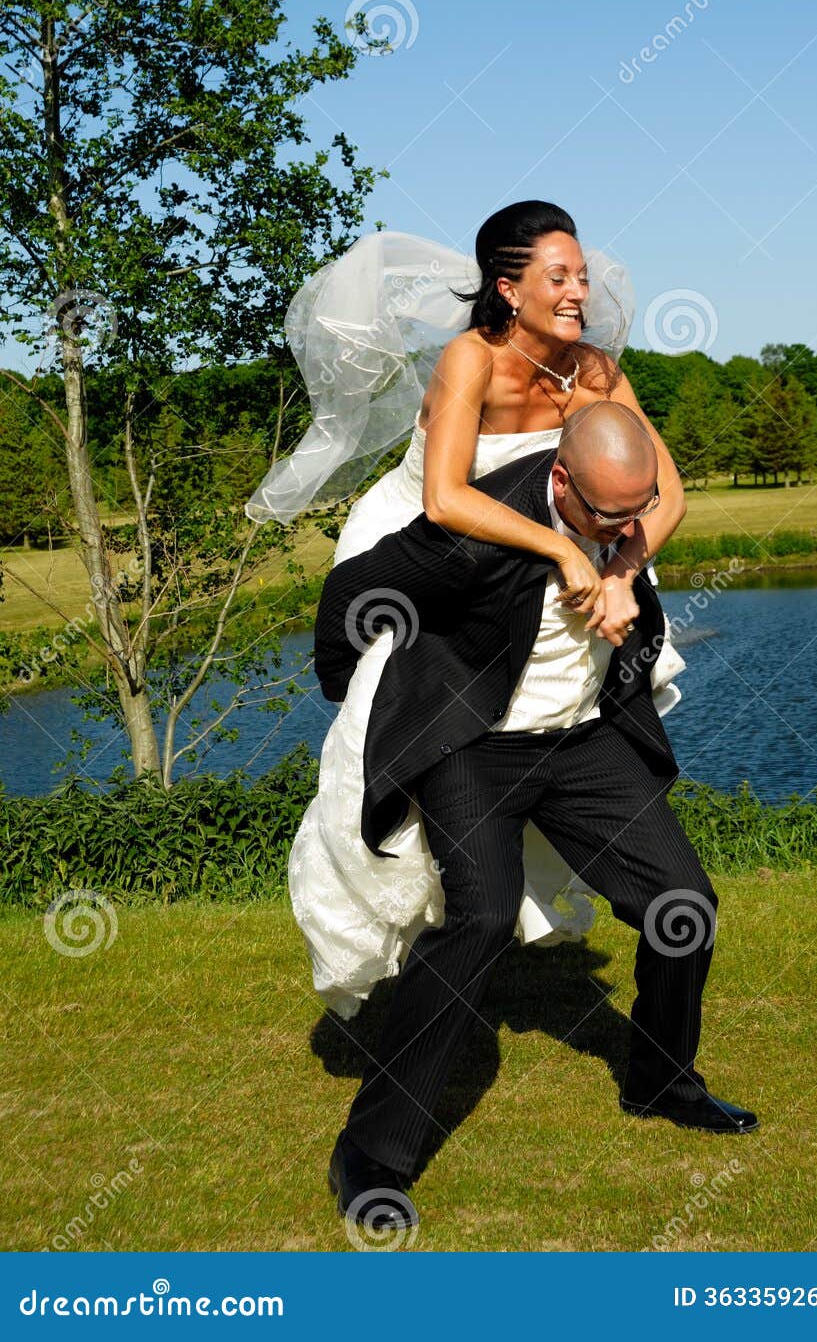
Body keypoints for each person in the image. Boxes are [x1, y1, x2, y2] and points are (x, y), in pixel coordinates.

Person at [314, 402, 758, 1234]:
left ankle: (661, 1081)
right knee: (478, 918)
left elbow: (644, 521)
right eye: (609, 518)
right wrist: (350, 692)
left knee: (682, 908)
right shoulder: (478, 531)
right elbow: (355, 586)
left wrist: (625, 565)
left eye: (641, 511)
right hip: (476, 747)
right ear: (561, 481)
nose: (630, 531)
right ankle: (370, 1153)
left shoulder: (620, 512)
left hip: (581, 742)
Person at [245, 202, 690, 1020]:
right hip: (427, 558)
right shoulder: (469, 361)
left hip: (551, 553)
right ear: (506, 287)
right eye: (558, 277)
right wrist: (563, 553)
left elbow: (666, 491)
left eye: (583, 276)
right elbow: (447, 499)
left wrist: (623, 568)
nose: (577, 292)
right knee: (410, 726)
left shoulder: (594, 371)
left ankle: (522, 867)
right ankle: (403, 914)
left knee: (557, 714)